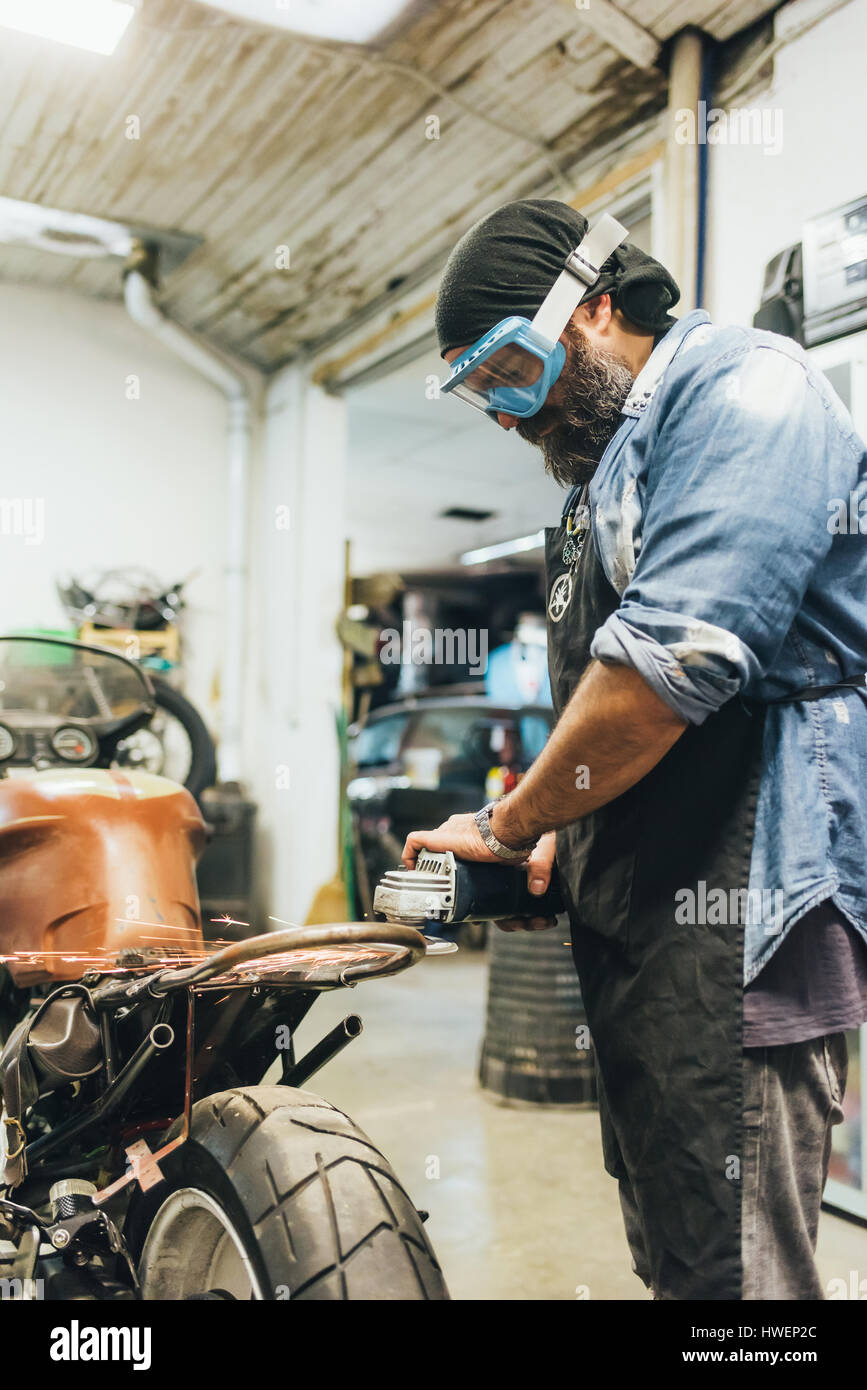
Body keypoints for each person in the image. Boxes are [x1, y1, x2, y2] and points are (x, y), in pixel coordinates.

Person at [402, 198, 867, 1300]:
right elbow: (602, 721)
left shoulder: (747, 391)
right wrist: (563, 833)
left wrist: (509, 819)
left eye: (513, 369)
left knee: (739, 1280)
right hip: (644, 928)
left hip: (741, 917)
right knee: (676, 1256)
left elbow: (674, 668)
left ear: (598, 304)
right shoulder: (603, 473)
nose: (509, 418)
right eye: (482, 395)